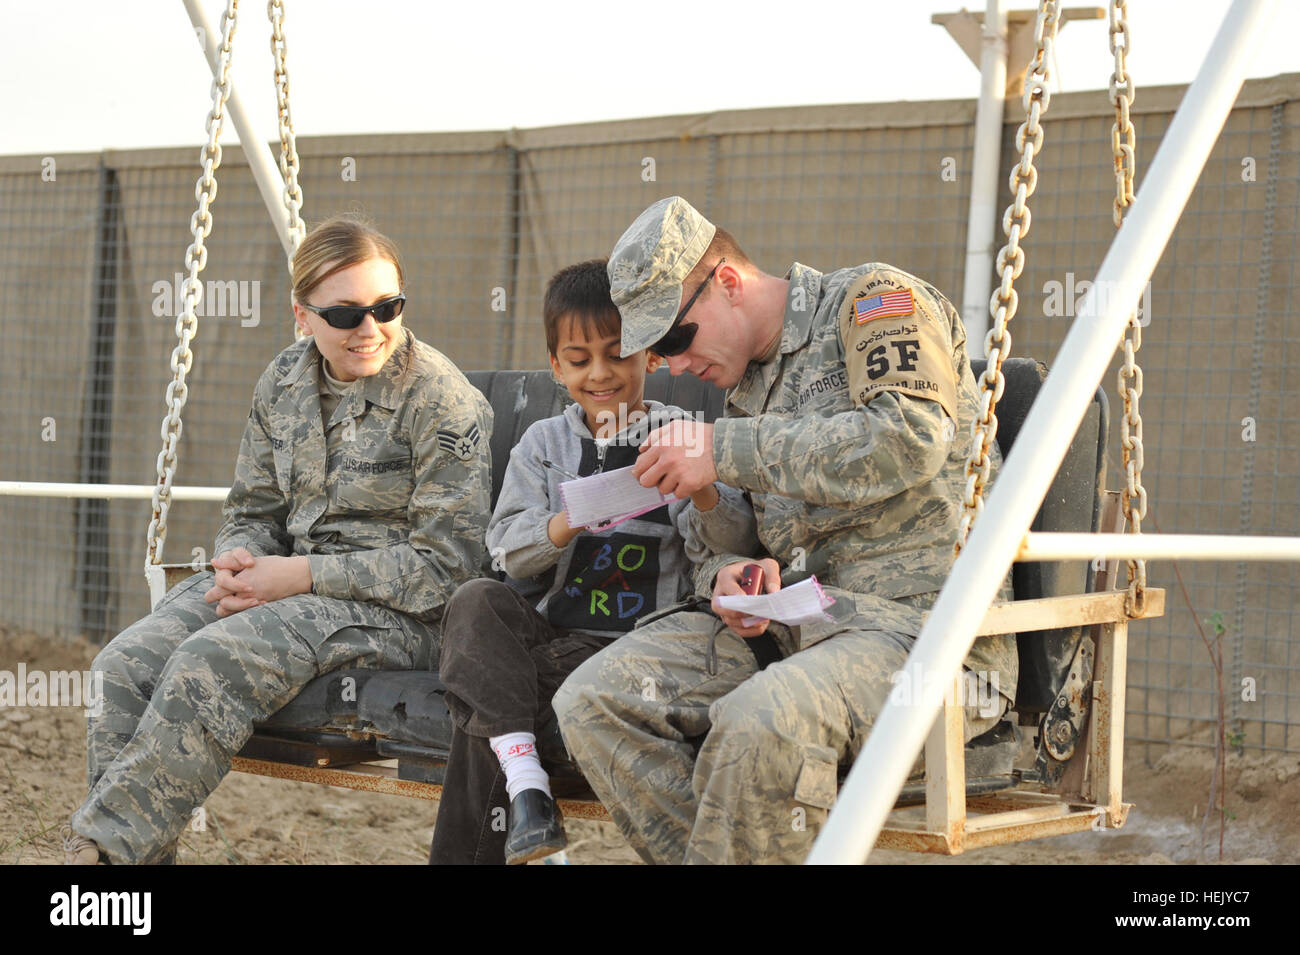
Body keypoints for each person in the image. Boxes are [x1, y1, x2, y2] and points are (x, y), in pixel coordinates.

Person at [553, 195, 1018, 864]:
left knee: (759, 724)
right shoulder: (743, 394)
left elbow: (911, 437)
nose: (676, 365)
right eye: (658, 354)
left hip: (928, 636)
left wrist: (724, 450)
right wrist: (731, 577)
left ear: (730, 282)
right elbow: (726, 550)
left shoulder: (874, 302)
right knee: (592, 702)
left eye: (675, 339)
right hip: (797, 630)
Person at [61, 214, 493, 865]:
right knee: (119, 669)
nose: (370, 328)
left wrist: (299, 575)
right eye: (346, 313)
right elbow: (253, 509)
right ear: (303, 315)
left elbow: (448, 569)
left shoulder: (440, 402)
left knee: (211, 660)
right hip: (286, 590)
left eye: (387, 306)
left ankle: (100, 857)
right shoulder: (285, 382)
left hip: (405, 618)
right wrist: (238, 561)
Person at [427, 259, 752, 865]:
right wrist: (569, 518)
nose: (600, 375)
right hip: (556, 639)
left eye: (618, 355)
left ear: (650, 356)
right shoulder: (543, 444)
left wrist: (702, 487)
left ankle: (524, 797)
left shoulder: (681, 432)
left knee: (481, 712)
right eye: (579, 360)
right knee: (474, 603)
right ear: (556, 365)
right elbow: (506, 553)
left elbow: (730, 544)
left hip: (639, 649)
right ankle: (528, 790)